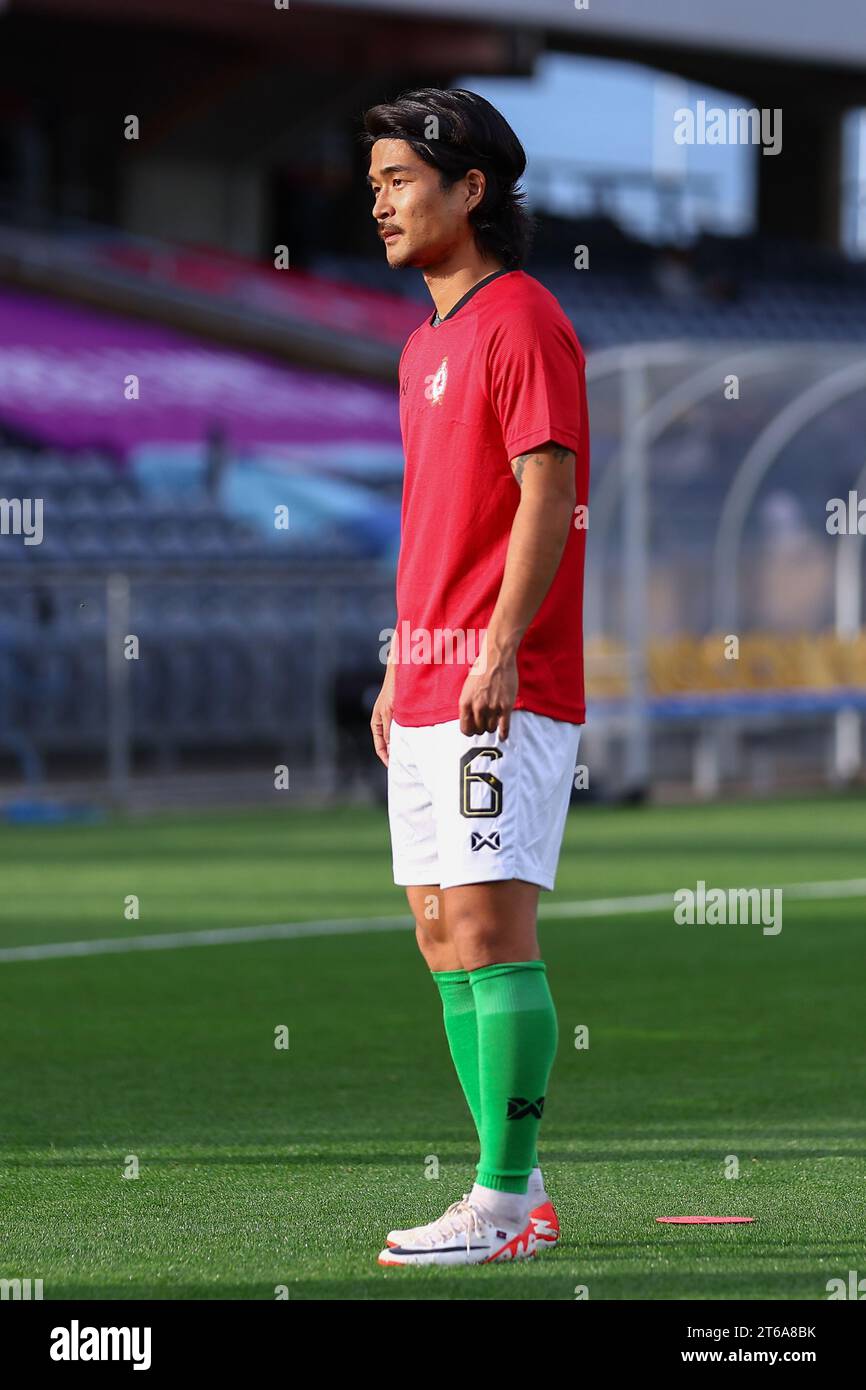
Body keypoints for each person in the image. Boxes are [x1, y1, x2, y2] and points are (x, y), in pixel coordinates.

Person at [363, 87, 590, 1267]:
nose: (381, 201)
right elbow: (434, 520)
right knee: (441, 929)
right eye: (375, 184)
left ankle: (501, 1205)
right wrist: (403, 658)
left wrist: (496, 645)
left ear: (471, 189)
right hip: (431, 681)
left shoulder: (522, 320)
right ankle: (521, 1191)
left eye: (401, 179)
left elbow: (545, 488)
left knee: (494, 927)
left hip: (505, 676)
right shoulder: (422, 346)